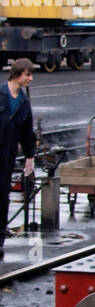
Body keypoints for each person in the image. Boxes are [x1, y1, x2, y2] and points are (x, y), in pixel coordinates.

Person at [0, 58, 36, 254]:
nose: (30, 78)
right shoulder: (0, 94)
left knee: (2, 198)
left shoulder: (23, 102)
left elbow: (27, 131)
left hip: (7, 156)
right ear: (17, 74)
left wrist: (30, 156)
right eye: (27, 75)